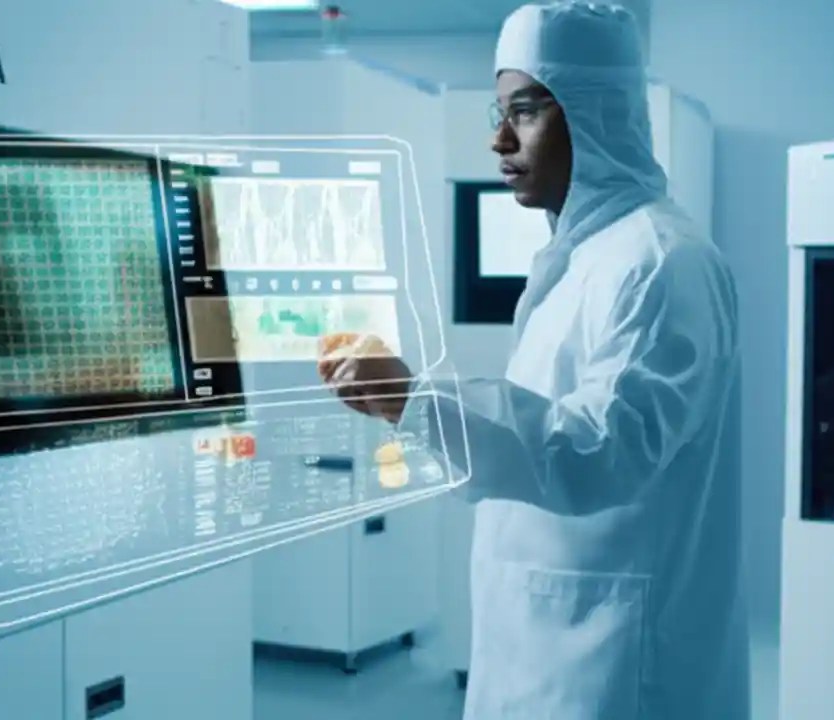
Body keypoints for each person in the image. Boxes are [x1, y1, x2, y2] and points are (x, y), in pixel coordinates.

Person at [319, 2, 748, 717]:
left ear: (596, 111)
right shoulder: (586, 257)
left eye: (523, 111)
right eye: (498, 112)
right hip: (550, 642)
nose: (498, 140)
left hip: (619, 663)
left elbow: (602, 450)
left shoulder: (661, 263)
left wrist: (415, 400)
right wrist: (404, 402)